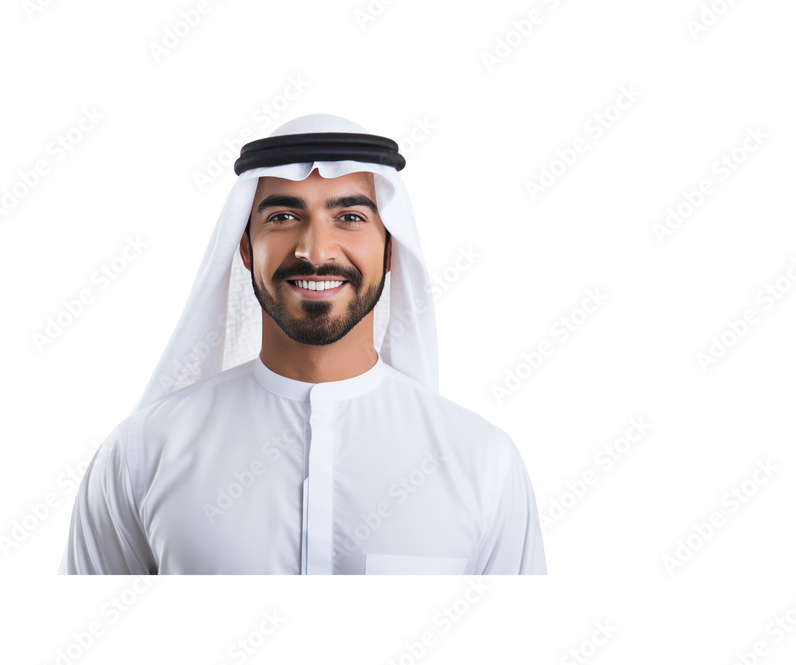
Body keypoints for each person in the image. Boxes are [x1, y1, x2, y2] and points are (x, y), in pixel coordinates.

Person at [59, 113, 547, 574]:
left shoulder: (483, 462)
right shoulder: (142, 452)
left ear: (391, 247)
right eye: (283, 217)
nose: (315, 251)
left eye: (350, 217)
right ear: (246, 249)